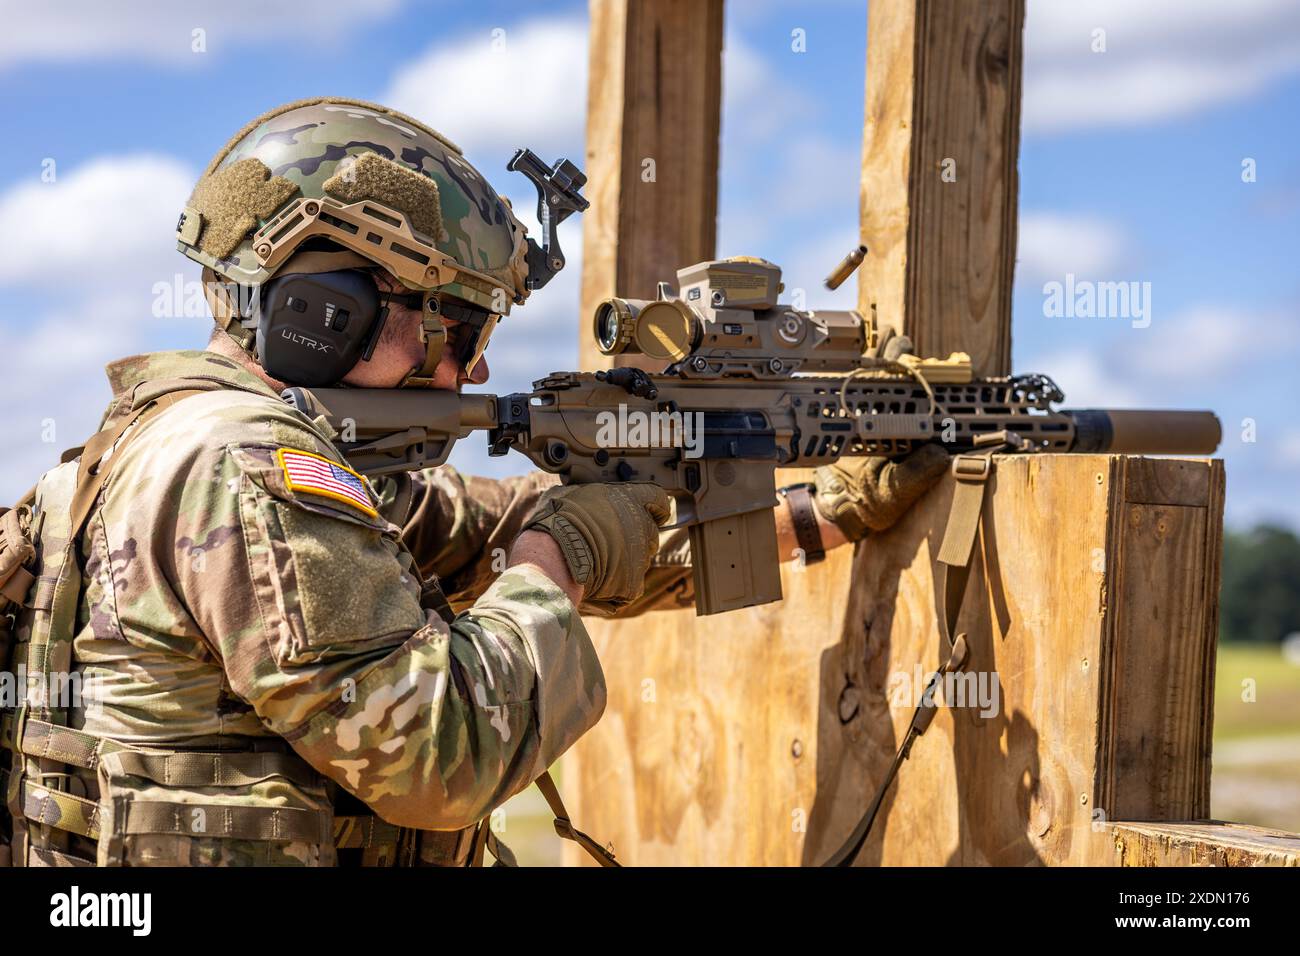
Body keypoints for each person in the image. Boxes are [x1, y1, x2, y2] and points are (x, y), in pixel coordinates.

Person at [0, 97, 947, 867]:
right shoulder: (247, 466)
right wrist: (560, 555)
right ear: (326, 312)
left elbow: (494, 527)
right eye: (457, 328)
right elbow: (441, 755)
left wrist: (819, 510)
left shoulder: (144, 449)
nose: (474, 372)